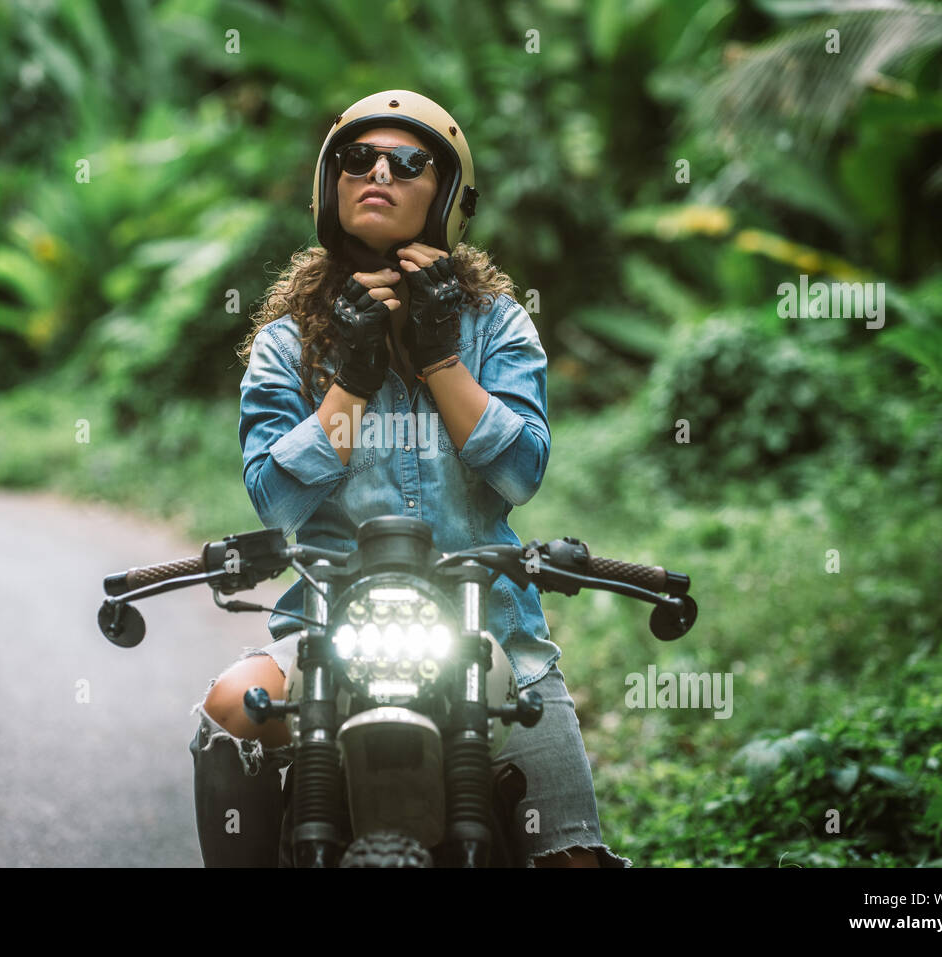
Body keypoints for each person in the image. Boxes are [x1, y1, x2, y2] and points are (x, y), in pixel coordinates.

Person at [188, 89, 630, 868]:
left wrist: (440, 357)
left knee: (574, 862)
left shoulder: (497, 324)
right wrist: (351, 381)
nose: (379, 173)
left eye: (408, 161)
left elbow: (520, 473)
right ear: (331, 184)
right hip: (327, 633)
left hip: (491, 634)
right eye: (359, 158)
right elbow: (276, 501)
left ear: (447, 195)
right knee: (230, 708)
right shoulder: (288, 342)